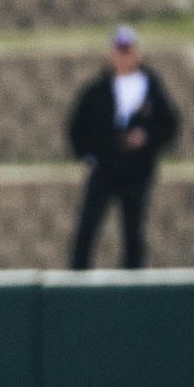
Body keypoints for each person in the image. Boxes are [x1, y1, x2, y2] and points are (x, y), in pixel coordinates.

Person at [67, 25, 181, 269]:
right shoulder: (98, 90)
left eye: (128, 50)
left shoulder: (151, 87)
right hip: (105, 168)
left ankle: (133, 283)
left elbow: (169, 125)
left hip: (137, 171)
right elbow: (78, 126)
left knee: (133, 231)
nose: (123, 56)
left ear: (136, 53)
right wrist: (90, 154)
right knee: (87, 227)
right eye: (119, 50)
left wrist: (147, 139)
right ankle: (76, 279)